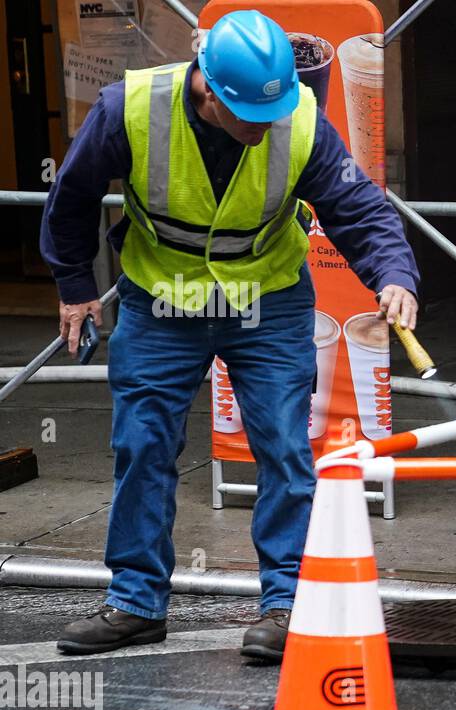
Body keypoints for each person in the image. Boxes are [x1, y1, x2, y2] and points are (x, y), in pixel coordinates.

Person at [39, 10, 420, 663]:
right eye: (250, 116)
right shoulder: (128, 108)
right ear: (208, 90)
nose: (264, 127)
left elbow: (356, 206)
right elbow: (71, 196)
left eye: (272, 112)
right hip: (164, 300)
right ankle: (135, 602)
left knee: (284, 448)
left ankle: (288, 602)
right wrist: (75, 284)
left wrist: (393, 274)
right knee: (142, 444)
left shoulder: (298, 116)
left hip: (267, 299)